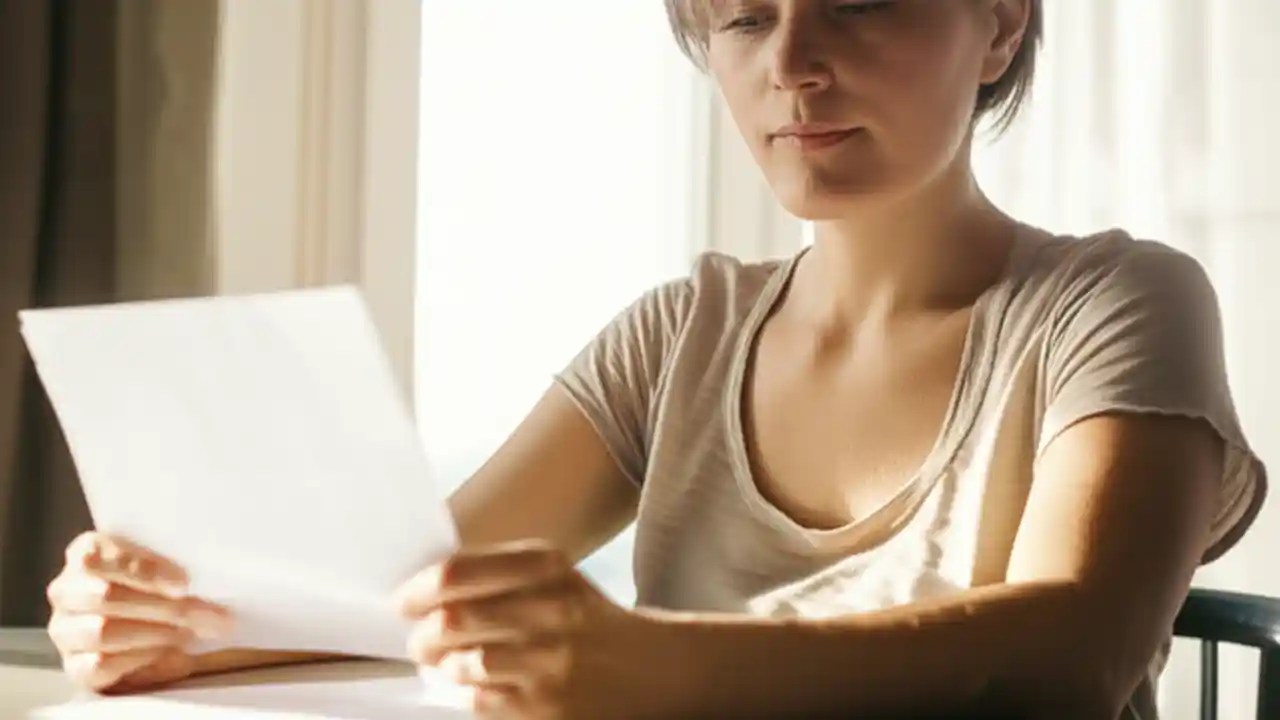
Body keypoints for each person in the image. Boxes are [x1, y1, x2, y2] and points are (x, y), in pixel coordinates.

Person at [44, 1, 1268, 718]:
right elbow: (420, 589)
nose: (788, 62)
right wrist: (181, 626)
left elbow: (1076, 655)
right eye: (740, 14)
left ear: (998, 24)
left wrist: (642, 658)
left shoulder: (1116, 301)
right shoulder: (680, 335)